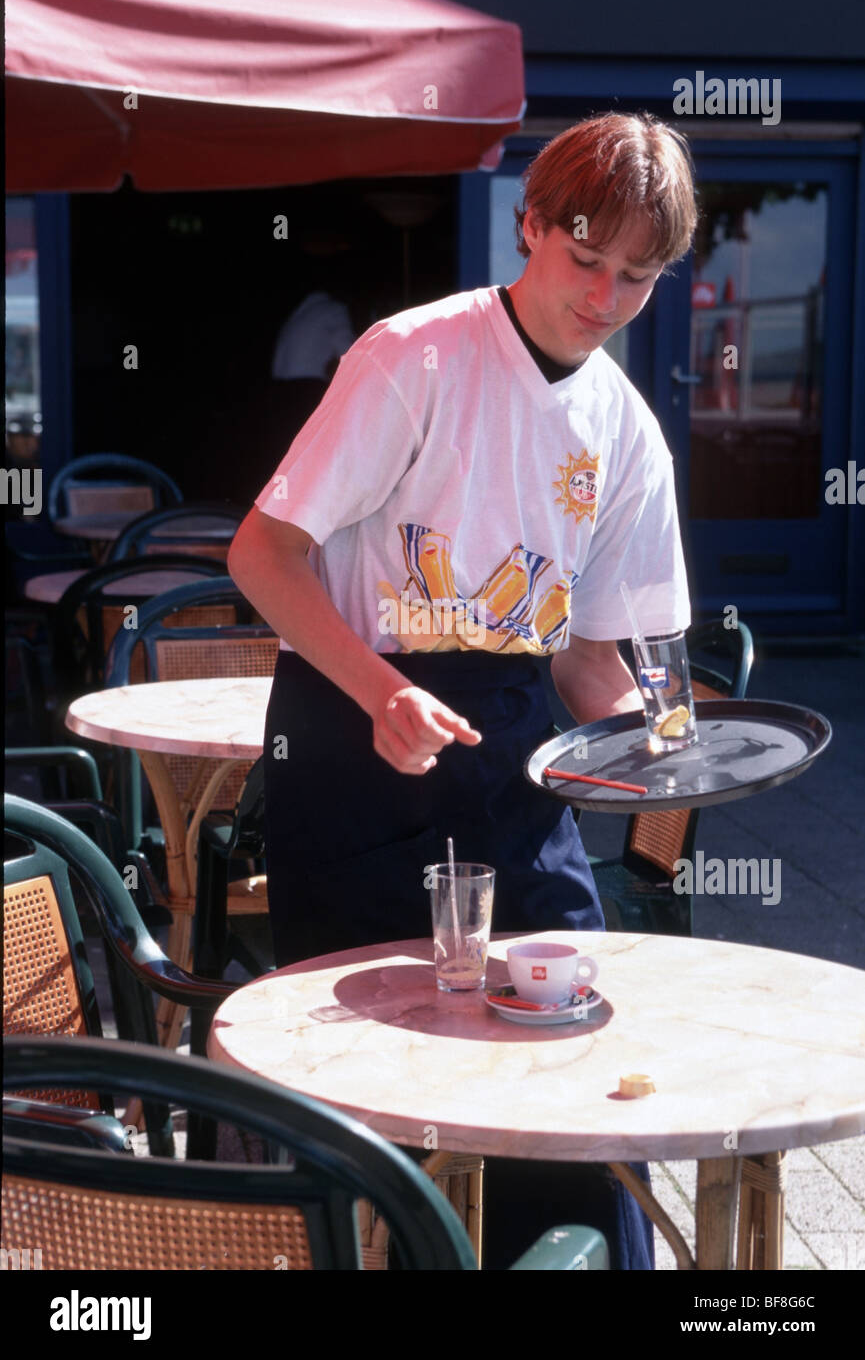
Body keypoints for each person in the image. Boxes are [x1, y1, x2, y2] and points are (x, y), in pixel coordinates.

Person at [228, 112, 698, 1270]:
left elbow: (599, 658)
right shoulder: (413, 356)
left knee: (568, 1075)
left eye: (637, 278)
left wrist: (673, 745)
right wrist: (383, 693)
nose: (603, 297)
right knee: (367, 1092)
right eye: (586, 261)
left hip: (515, 760)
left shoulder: (626, 432)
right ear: (531, 225)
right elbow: (261, 555)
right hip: (350, 736)